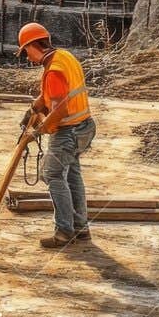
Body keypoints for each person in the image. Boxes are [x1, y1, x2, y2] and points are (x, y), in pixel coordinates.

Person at [17, 22, 96, 248]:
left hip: (68, 130)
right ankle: (81, 229)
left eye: (26, 52)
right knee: (71, 176)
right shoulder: (63, 57)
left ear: (34, 45)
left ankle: (63, 232)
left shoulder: (53, 71)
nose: (27, 58)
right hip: (84, 126)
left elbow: (60, 109)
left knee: (51, 174)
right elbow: (49, 96)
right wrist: (33, 110)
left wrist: (40, 130)